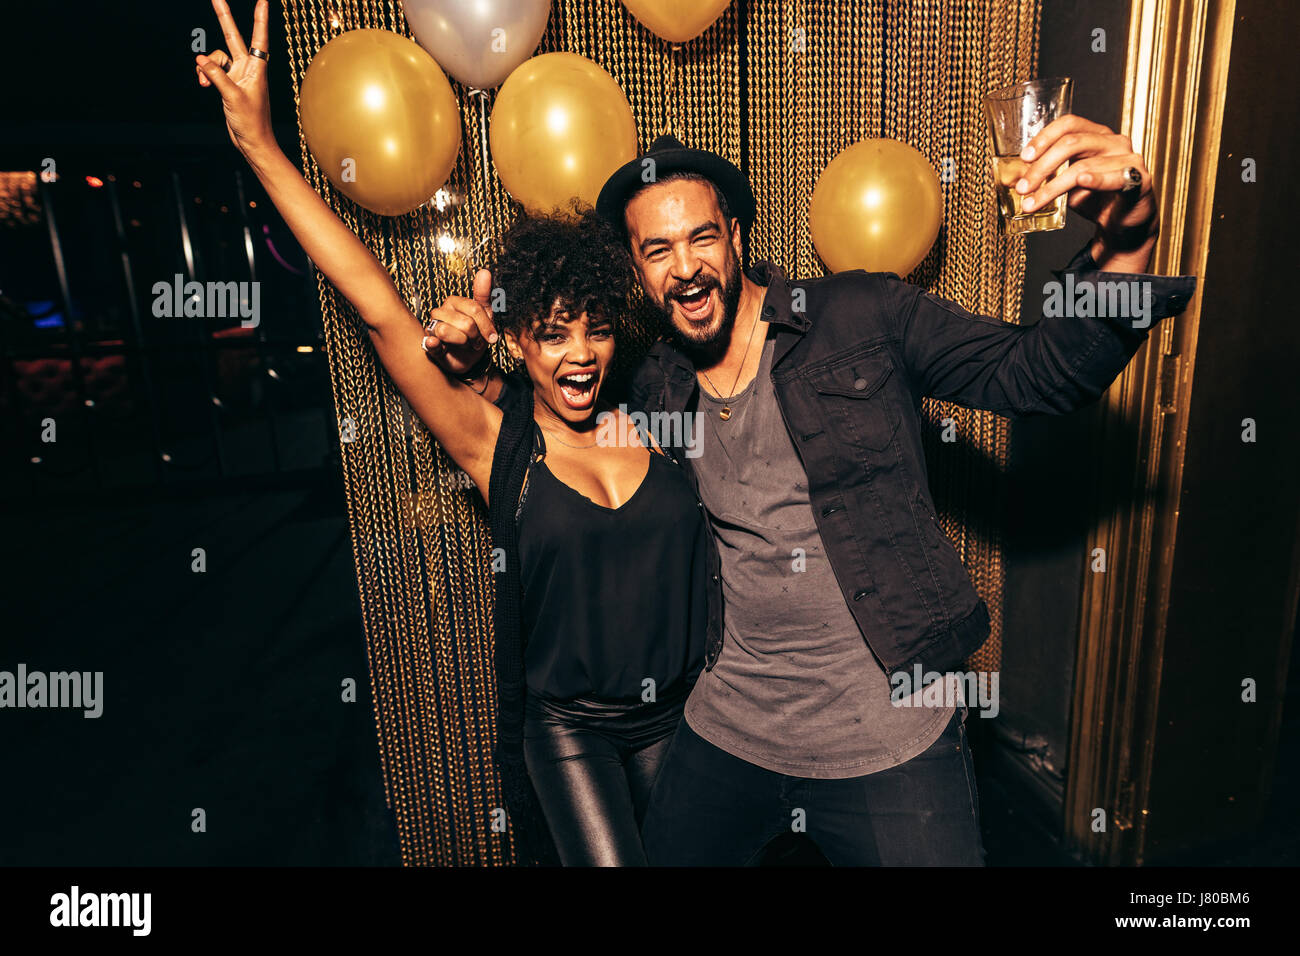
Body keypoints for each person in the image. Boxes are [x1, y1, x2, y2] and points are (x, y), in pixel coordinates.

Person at [462, 124, 1197, 864]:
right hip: (728, 731)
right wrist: (480, 369)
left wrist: (1128, 241)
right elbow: (560, 415)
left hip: (891, 734)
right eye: (657, 250)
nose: (685, 267)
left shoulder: (861, 316)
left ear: (737, 235)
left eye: (702, 237)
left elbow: (1039, 372)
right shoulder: (655, 381)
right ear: (639, 270)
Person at [194, 0, 708, 866]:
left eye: (594, 328)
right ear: (515, 339)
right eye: (551, 333)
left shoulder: (659, 411)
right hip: (569, 731)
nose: (579, 355)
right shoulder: (494, 443)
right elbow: (377, 305)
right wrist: (259, 144)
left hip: (681, 717)